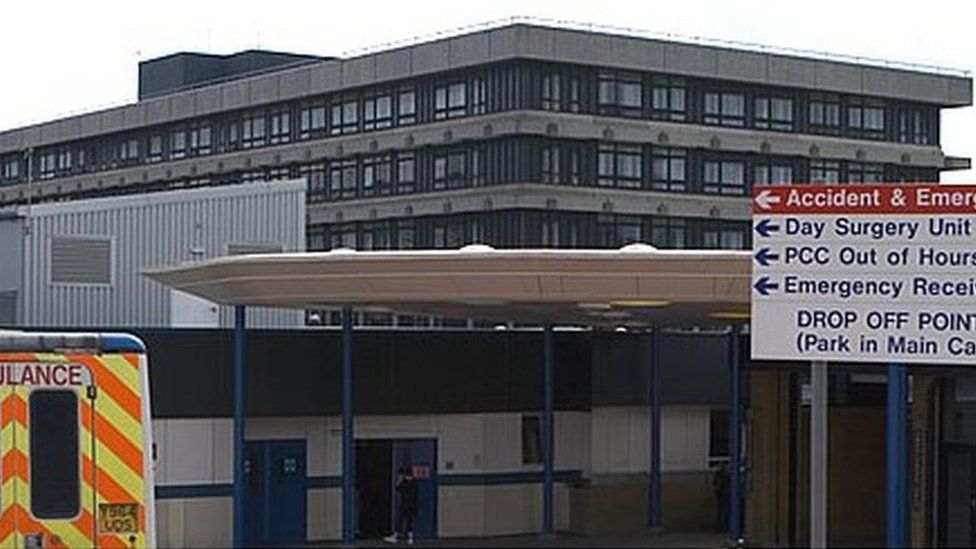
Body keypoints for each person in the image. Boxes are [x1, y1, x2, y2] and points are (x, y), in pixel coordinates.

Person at [384, 467, 418, 544]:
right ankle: (410, 538)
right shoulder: (414, 483)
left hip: (405, 504)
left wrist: (400, 480)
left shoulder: (405, 483)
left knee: (400, 520)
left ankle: (396, 536)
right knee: (409, 521)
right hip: (411, 505)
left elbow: (397, 488)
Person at [712, 462, 730, 533]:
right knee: (723, 511)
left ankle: (719, 527)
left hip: (720, 494)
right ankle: (723, 527)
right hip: (724, 494)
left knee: (720, 512)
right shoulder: (725, 475)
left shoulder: (718, 474)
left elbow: (715, 484)